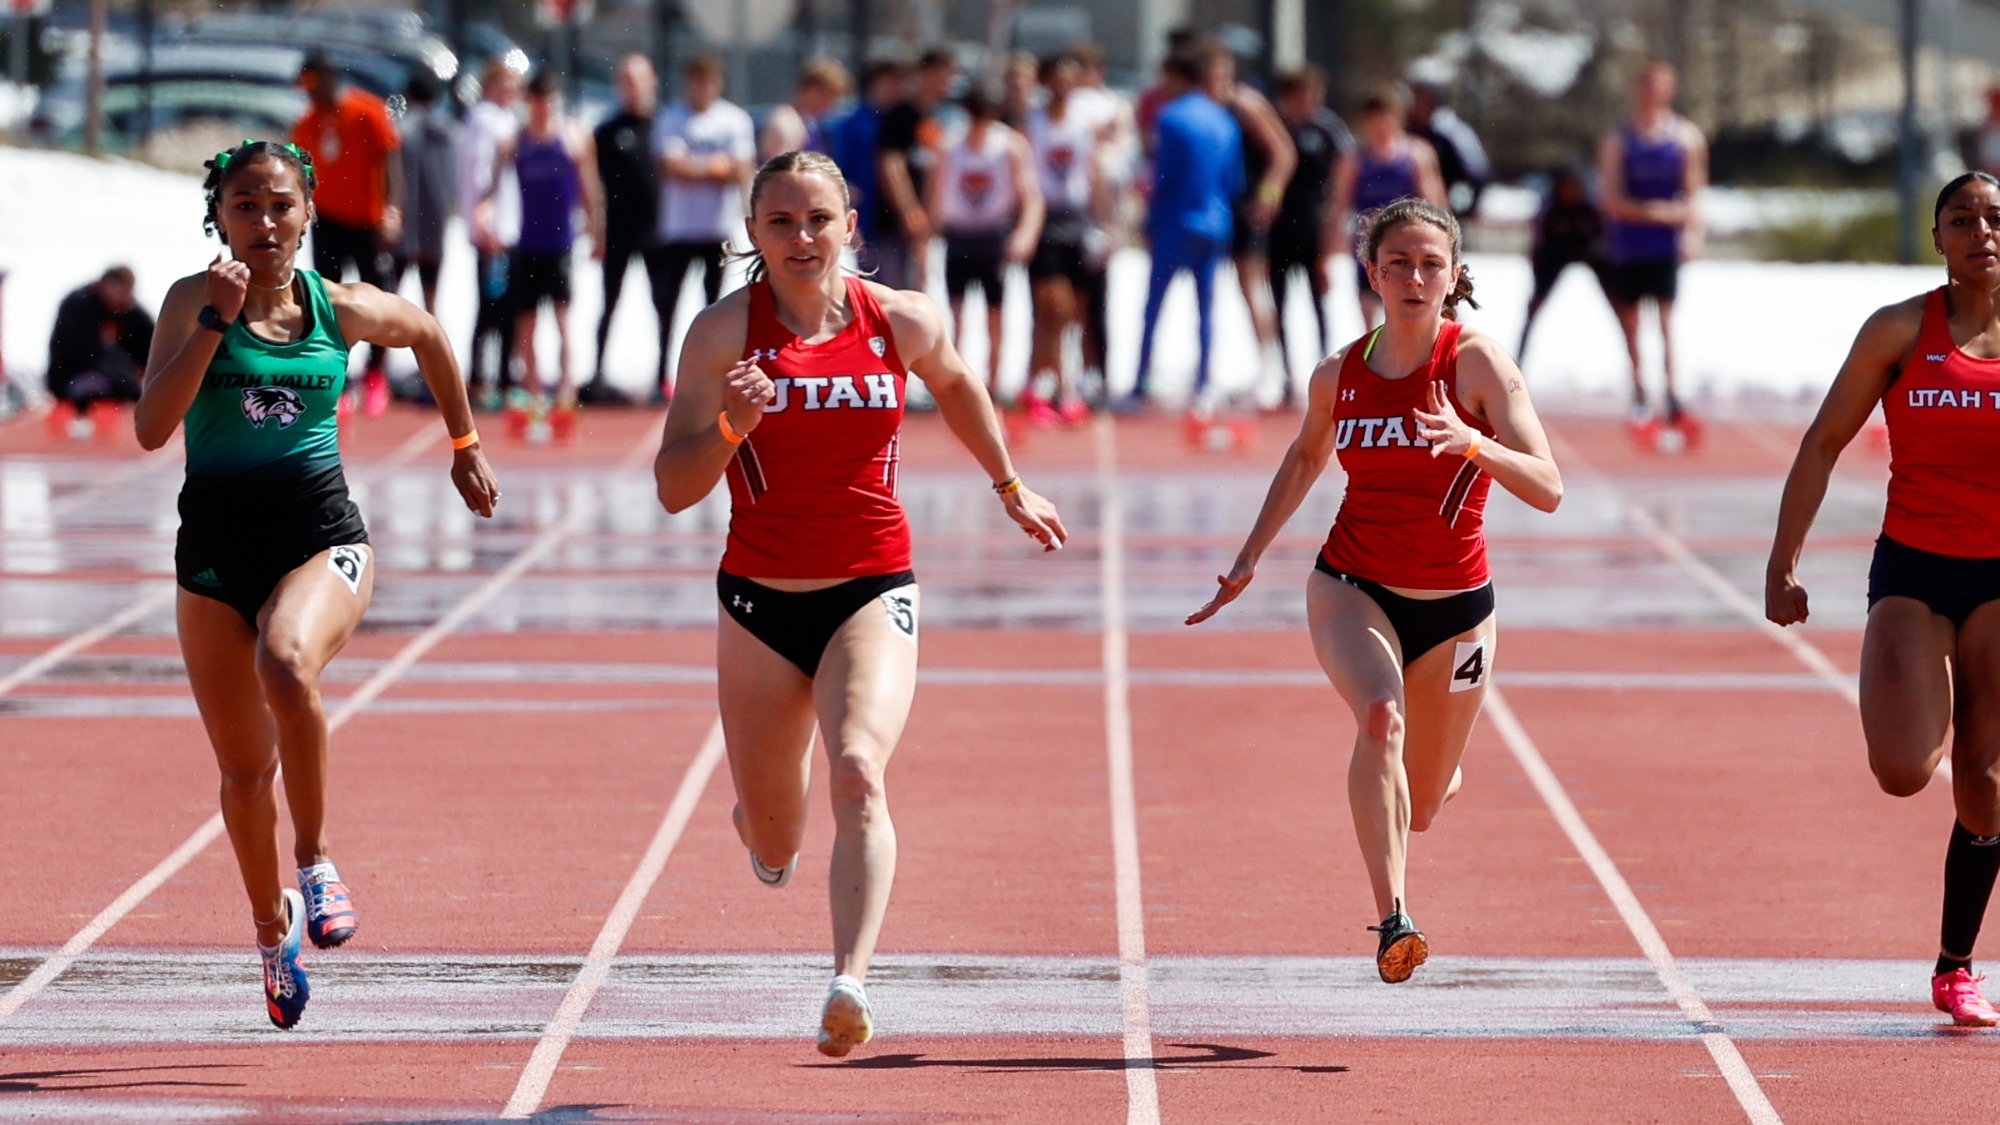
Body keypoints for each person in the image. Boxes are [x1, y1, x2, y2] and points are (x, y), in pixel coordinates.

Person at [654, 149, 1065, 1055]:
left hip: (873, 587)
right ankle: (763, 829)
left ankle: (849, 980)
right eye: (780, 223)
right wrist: (733, 425)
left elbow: (958, 384)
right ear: (753, 235)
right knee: (776, 829)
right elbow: (674, 486)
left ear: (850, 226)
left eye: (818, 220)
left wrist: (1009, 486)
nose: (802, 239)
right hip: (760, 600)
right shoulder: (724, 334)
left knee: (858, 769)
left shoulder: (901, 318)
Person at [135, 140, 499, 1029]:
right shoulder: (192, 300)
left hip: (320, 536)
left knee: (288, 660)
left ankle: (318, 861)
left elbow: (432, 334)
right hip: (215, 556)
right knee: (243, 773)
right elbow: (151, 427)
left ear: (308, 213)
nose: (265, 222)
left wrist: (464, 445)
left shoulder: (339, 307)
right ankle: (271, 935)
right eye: (247, 206)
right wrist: (216, 323)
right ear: (218, 214)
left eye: (281, 205)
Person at [1188, 198, 1561, 983]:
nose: (1415, 278)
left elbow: (1549, 486)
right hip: (1353, 586)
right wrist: (1249, 557)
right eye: (1399, 264)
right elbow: (1302, 460)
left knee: (1422, 805)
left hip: (1459, 606)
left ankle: (1436, 769)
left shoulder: (1478, 365)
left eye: (1431, 265)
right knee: (1380, 718)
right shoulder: (1340, 373)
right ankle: (1395, 915)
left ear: (1454, 275)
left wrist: (1472, 441)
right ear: (1373, 275)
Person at [1766, 170, 2000, 1029]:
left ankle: (1957, 964)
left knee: (1988, 781)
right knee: (1905, 771)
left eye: (1995, 218)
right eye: (1962, 219)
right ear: (1937, 237)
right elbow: (1825, 440)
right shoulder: (1902, 329)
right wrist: (1781, 563)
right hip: (1915, 569)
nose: (1982, 231)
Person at [1128, 49, 1242, 410]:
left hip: (1174, 221)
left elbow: (1163, 176)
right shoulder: (1225, 121)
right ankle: (1204, 380)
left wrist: (1149, 218)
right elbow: (1234, 180)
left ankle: (1141, 377)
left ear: (1179, 78)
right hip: (1215, 220)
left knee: (1153, 304)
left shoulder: (1170, 118)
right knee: (1206, 306)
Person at [291, 53, 402, 416]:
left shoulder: (366, 112)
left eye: (314, 84)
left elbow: (389, 163)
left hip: (367, 221)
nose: (310, 94)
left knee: (376, 294)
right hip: (329, 221)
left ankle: (376, 373)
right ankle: (333, 373)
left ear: (329, 77)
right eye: (304, 86)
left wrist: (391, 209)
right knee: (326, 299)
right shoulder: (305, 125)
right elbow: (300, 176)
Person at [1597, 61, 1707, 426]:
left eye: (1658, 86)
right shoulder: (1619, 139)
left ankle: (1672, 392)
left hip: (1664, 246)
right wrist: (1655, 212)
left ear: (1669, 91)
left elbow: (1694, 194)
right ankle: (1639, 388)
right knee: (1630, 322)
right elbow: (1611, 198)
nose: (1651, 93)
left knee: (1665, 320)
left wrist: (1691, 233)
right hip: (1629, 243)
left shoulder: (1685, 137)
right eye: (1645, 85)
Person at [484, 72, 599, 411]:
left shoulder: (574, 137)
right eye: (535, 103)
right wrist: (485, 215)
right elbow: (491, 189)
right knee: (526, 324)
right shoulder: (514, 141)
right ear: (527, 104)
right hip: (527, 245)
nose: (542, 109)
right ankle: (534, 393)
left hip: (561, 245)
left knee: (564, 321)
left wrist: (596, 231)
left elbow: (590, 189)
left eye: (548, 102)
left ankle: (566, 392)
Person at [652, 55, 757, 404]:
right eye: (695, 80)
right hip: (679, 229)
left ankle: (715, 377)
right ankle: (661, 374)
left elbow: (740, 168)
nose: (701, 88)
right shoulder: (672, 118)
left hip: (716, 229)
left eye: (707, 80)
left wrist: (702, 167)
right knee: (668, 304)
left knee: (714, 308)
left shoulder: (733, 120)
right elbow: (672, 166)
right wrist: (713, 167)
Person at [927, 84, 1042, 402]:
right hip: (960, 235)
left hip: (993, 236)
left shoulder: (1009, 145)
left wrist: (1024, 233)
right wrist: (929, 235)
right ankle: (958, 385)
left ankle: (991, 385)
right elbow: (937, 192)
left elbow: (1030, 196)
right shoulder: (950, 145)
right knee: (957, 316)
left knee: (995, 315)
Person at [1206, 44, 1297, 406]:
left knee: (1251, 286)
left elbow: (1283, 151)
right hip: (1217, 207)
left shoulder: (1246, 104)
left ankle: (1270, 368)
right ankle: (1222, 369)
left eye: (1222, 73)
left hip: (1246, 207)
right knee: (1217, 288)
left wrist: (1269, 196)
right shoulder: (1205, 108)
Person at [1025, 52, 1105, 422]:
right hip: (1045, 220)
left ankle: (1047, 381)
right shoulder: (1032, 123)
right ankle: (1058, 386)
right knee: (1051, 305)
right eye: (1055, 78)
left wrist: (1102, 225)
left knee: (1072, 310)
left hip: (1077, 221)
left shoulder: (1083, 124)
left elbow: (1094, 174)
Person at [1269, 66, 1354, 402]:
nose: (1312, 102)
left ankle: (1325, 367)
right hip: (1278, 231)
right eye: (1305, 95)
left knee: (1318, 300)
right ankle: (1287, 370)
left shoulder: (1328, 128)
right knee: (1280, 302)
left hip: (1313, 229)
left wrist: (1333, 233)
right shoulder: (1274, 127)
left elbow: (1344, 173)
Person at [1331, 87, 1446, 330]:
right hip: (1369, 243)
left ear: (1397, 118)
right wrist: (1329, 249)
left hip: (1409, 244)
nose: (1379, 125)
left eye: (1384, 117)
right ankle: (1375, 357)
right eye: (1373, 120)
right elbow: (1339, 205)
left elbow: (1434, 204)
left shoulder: (1416, 155)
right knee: (1368, 302)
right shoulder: (1354, 159)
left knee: (1411, 305)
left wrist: (1442, 245)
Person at [587, 53, 662, 405]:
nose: (632, 87)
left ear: (652, 82)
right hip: (617, 231)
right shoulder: (606, 131)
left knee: (663, 305)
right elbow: (593, 185)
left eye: (638, 80)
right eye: (626, 80)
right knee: (608, 303)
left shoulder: (663, 127)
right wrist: (596, 231)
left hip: (658, 233)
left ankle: (662, 376)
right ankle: (597, 372)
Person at [460, 59, 523, 408]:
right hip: (493, 231)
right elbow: (479, 173)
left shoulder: (508, 119)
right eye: (505, 82)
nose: (511, 90)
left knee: (507, 308)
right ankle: (479, 378)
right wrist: (484, 222)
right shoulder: (484, 119)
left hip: (510, 229)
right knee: (490, 306)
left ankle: (502, 376)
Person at [871, 48, 958, 292]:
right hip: (895, 222)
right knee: (894, 290)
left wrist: (931, 213)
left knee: (920, 289)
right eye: (940, 74)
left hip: (928, 223)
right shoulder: (900, 115)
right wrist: (910, 211)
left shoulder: (942, 116)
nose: (945, 82)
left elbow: (937, 167)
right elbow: (891, 164)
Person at [1518, 165, 1606, 360]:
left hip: (1590, 251)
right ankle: (1518, 361)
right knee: (1534, 307)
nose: (1569, 192)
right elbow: (1539, 244)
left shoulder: (1591, 207)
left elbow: (1604, 238)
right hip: (1554, 253)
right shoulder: (1550, 209)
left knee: (1620, 304)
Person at [390, 72, 458, 320]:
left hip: (403, 225)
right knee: (431, 300)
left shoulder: (400, 130)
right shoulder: (449, 132)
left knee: (389, 297)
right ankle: (433, 353)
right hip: (435, 222)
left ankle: (379, 356)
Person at [47, 265, 154, 418]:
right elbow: (89, 350)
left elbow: (152, 341)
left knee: (136, 389)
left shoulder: (128, 309)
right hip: (72, 376)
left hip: (109, 374)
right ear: (105, 284)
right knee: (117, 386)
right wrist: (129, 380)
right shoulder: (78, 305)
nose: (123, 298)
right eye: (119, 291)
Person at [829, 59, 908, 257]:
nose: (895, 88)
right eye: (889, 82)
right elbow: (842, 169)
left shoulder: (900, 121)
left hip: (895, 220)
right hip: (867, 214)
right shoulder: (854, 123)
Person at [1408, 81, 1491, 219]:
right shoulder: (1411, 129)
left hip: (1447, 211)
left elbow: (1476, 171)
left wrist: (1462, 209)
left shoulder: (1449, 130)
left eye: (1418, 96)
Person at [760, 58, 852, 161]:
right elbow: (778, 170)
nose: (832, 104)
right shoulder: (785, 124)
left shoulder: (809, 121)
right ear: (810, 90)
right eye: (828, 95)